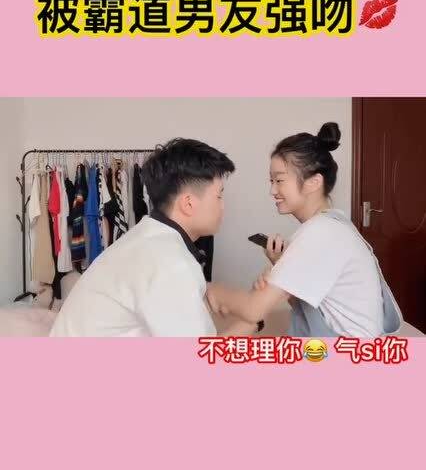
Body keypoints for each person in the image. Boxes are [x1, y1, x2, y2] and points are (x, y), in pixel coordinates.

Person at [207, 123, 403, 338]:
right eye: (271, 181)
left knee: (248, 323)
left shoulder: (320, 232)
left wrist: (212, 290)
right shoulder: (333, 225)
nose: (272, 190)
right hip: (343, 344)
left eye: (279, 180)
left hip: (346, 352)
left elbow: (254, 309)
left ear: (314, 182)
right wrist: (282, 269)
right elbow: (314, 307)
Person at [50, 139, 257, 337]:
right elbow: (200, 356)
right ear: (188, 203)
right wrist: (252, 321)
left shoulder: (147, 237)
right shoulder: (171, 261)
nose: (223, 206)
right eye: (219, 195)